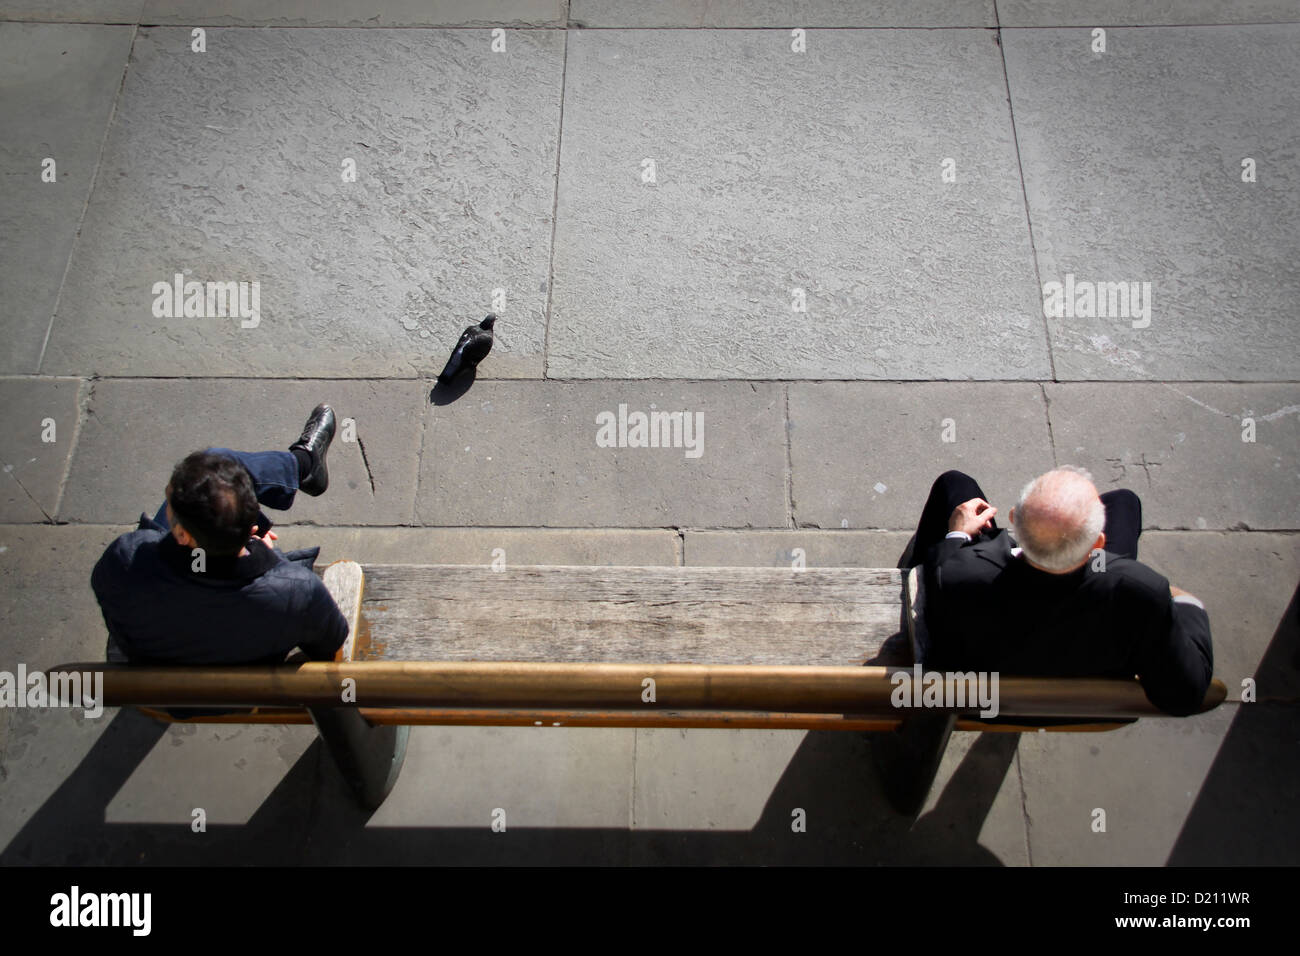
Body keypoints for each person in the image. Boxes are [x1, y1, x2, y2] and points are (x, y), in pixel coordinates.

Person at [905, 467, 1213, 716]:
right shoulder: (1141, 591)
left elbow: (942, 572)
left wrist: (957, 533)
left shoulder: (959, 574)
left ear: (1013, 518)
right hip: (1080, 708)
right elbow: (1185, 695)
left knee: (955, 483)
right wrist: (1187, 602)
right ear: (1098, 544)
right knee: (1124, 502)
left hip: (982, 702)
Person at [92, 405, 347, 666]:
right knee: (216, 463)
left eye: (170, 502)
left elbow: (117, 618)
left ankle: (302, 466)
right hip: (247, 696)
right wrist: (269, 561)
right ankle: (303, 465)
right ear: (252, 528)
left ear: (181, 534)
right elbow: (328, 645)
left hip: (160, 693)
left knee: (211, 465)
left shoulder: (126, 559)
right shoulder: (297, 590)